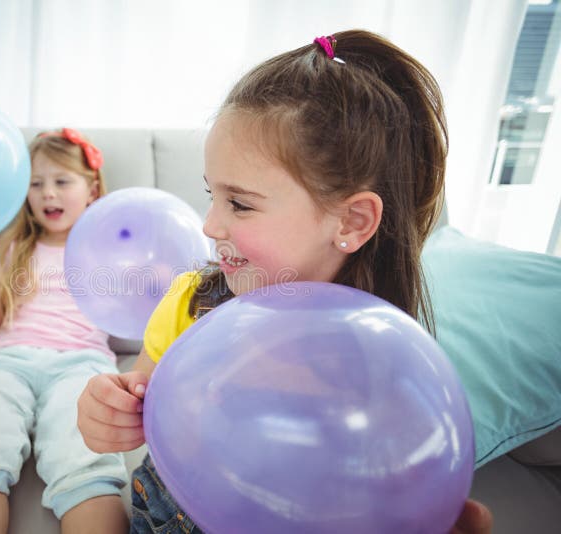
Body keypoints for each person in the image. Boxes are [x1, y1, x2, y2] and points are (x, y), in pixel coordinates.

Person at [76, 31, 494, 534]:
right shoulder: (192, 300)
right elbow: (139, 394)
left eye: (240, 203)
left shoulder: (388, 362)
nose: (209, 224)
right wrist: (111, 409)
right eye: (212, 194)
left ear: (352, 222)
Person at [0, 128, 129, 534]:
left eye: (62, 181)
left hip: (82, 363)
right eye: (36, 184)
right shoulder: (11, 248)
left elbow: (136, 314)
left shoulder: (107, 250)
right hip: (9, 360)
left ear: (92, 190)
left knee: (84, 454)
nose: (48, 194)